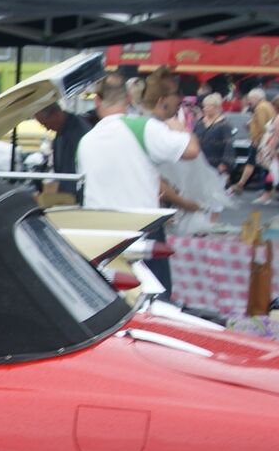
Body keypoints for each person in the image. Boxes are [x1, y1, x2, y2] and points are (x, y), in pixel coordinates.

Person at [77, 71, 201, 297]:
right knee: (153, 301)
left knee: (110, 299)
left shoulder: (86, 141)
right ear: (128, 99)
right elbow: (191, 150)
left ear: (97, 101)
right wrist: (181, 128)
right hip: (141, 229)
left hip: (100, 233)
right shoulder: (143, 128)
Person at [34, 102, 92, 201]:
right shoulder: (62, 131)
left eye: (46, 123)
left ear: (56, 114)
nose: (47, 129)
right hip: (69, 193)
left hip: (78, 195)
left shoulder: (78, 133)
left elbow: (72, 174)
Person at [231, 87, 275, 195]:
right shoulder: (268, 106)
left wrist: (257, 139)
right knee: (263, 166)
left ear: (256, 98)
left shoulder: (260, 108)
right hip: (266, 140)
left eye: (250, 99)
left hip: (259, 141)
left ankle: (240, 184)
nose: (249, 101)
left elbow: (262, 125)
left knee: (251, 163)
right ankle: (268, 189)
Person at [192, 93, 235, 183]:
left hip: (216, 164)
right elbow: (193, 139)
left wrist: (224, 164)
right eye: (204, 106)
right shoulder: (199, 122)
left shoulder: (224, 124)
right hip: (199, 163)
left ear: (217, 107)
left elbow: (229, 145)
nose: (204, 108)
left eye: (208, 106)